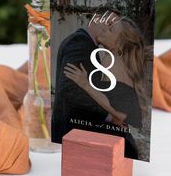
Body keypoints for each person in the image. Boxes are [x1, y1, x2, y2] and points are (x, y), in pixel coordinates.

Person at [64, 18, 144, 159]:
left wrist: (84, 84)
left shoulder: (112, 64)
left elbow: (121, 115)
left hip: (119, 145)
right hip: (119, 141)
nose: (105, 29)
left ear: (120, 44)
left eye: (111, 29)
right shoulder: (112, 60)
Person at [51, 10, 125, 143]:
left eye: (112, 28)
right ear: (96, 18)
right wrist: (108, 117)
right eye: (108, 23)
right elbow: (70, 91)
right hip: (70, 132)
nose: (108, 29)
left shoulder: (86, 44)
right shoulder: (80, 43)